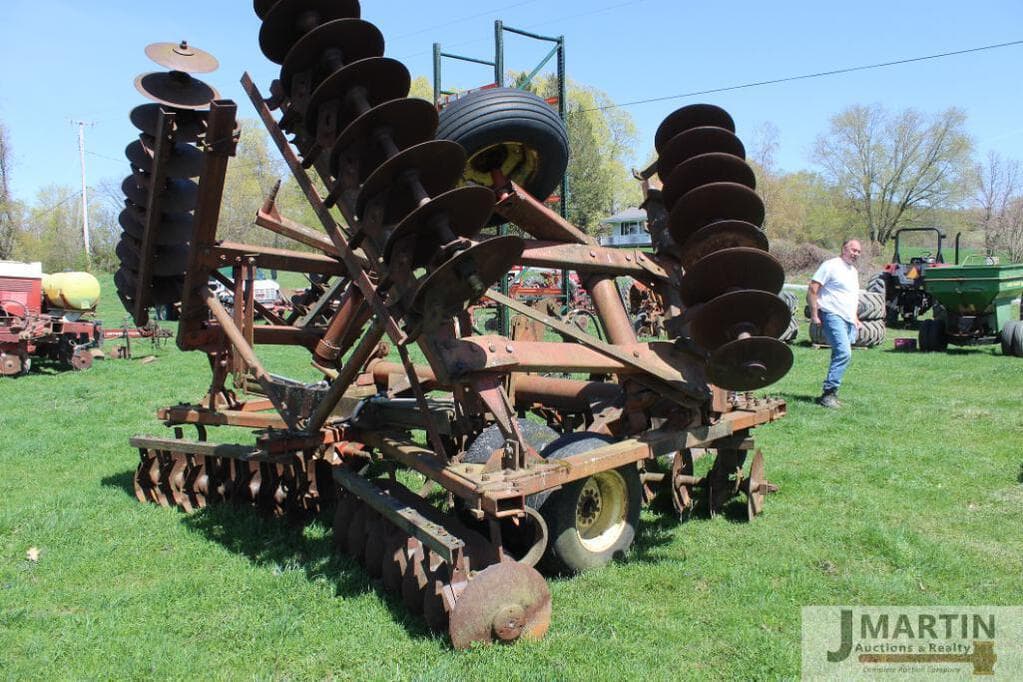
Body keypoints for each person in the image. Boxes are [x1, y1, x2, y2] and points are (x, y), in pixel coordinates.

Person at [808, 239, 863, 408]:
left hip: (847, 318)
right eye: (853, 250)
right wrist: (814, 314)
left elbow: (850, 296)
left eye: (858, 252)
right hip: (831, 314)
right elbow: (812, 288)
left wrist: (855, 318)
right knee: (844, 352)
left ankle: (832, 393)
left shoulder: (853, 271)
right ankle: (828, 394)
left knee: (840, 354)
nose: (855, 254)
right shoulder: (830, 265)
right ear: (843, 249)